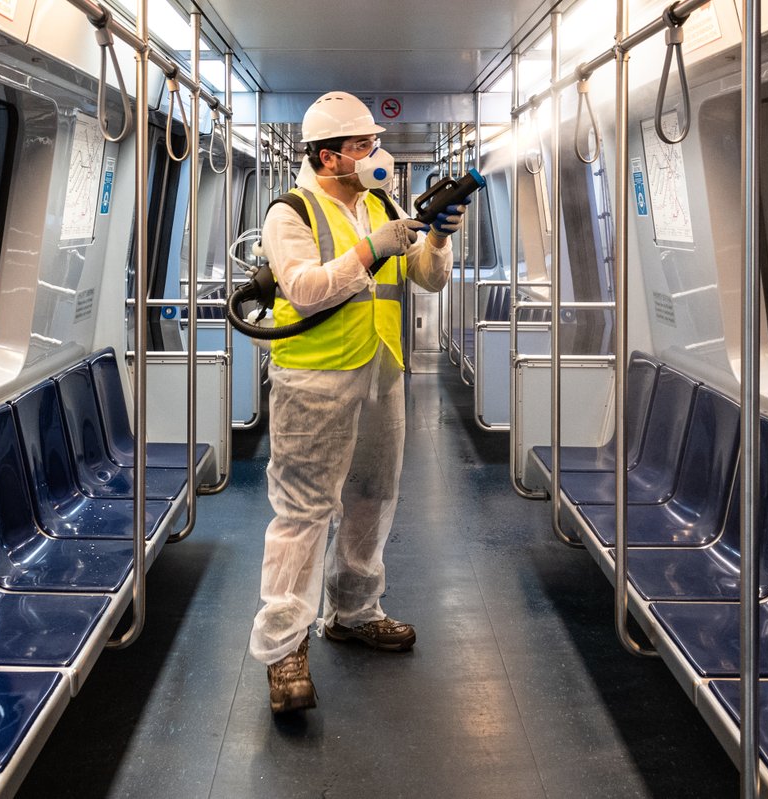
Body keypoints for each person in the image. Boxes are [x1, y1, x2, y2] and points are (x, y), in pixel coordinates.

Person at [249, 91, 466, 714]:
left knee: (373, 494)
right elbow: (306, 289)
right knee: (303, 512)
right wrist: (377, 246)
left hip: (382, 370)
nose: (376, 153)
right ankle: (284, 646)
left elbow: (426, 277)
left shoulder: (382, 203)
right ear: (326, 156)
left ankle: (353, 609)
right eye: (361, 145)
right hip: (314, 381)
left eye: (374, 143)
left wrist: (437, 240)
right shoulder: (290, 212)